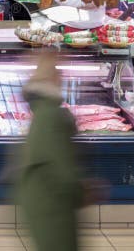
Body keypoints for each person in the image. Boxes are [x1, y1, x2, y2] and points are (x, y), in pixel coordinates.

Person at [14, 51, 83, 251]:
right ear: (52, 77)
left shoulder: (41, 109)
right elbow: (62, 166)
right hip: (51, 204)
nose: (62, 76)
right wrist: (79, 192)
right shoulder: (51, 115)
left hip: (39, 200)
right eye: (58, 71)